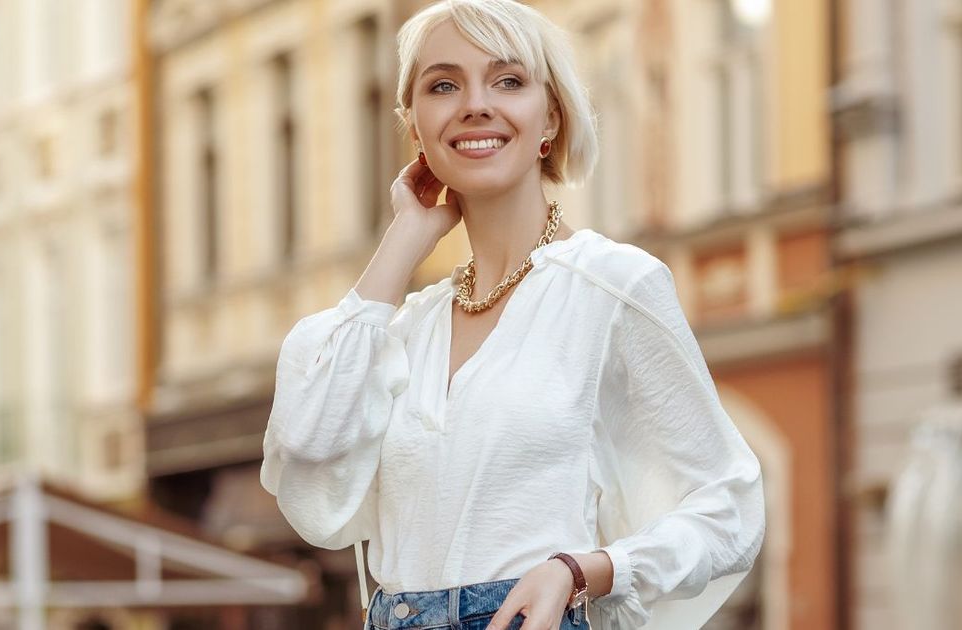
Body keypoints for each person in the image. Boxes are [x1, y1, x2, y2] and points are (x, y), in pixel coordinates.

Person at [258, 1, 766, 628]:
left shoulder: (613, 286)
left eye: (509, 81)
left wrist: (583, 570)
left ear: (550, 116)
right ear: (414, 126)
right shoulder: (405, 327)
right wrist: (404, 241)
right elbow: (307, 448)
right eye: (443, 85)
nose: (475, 104)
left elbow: (730, 508)